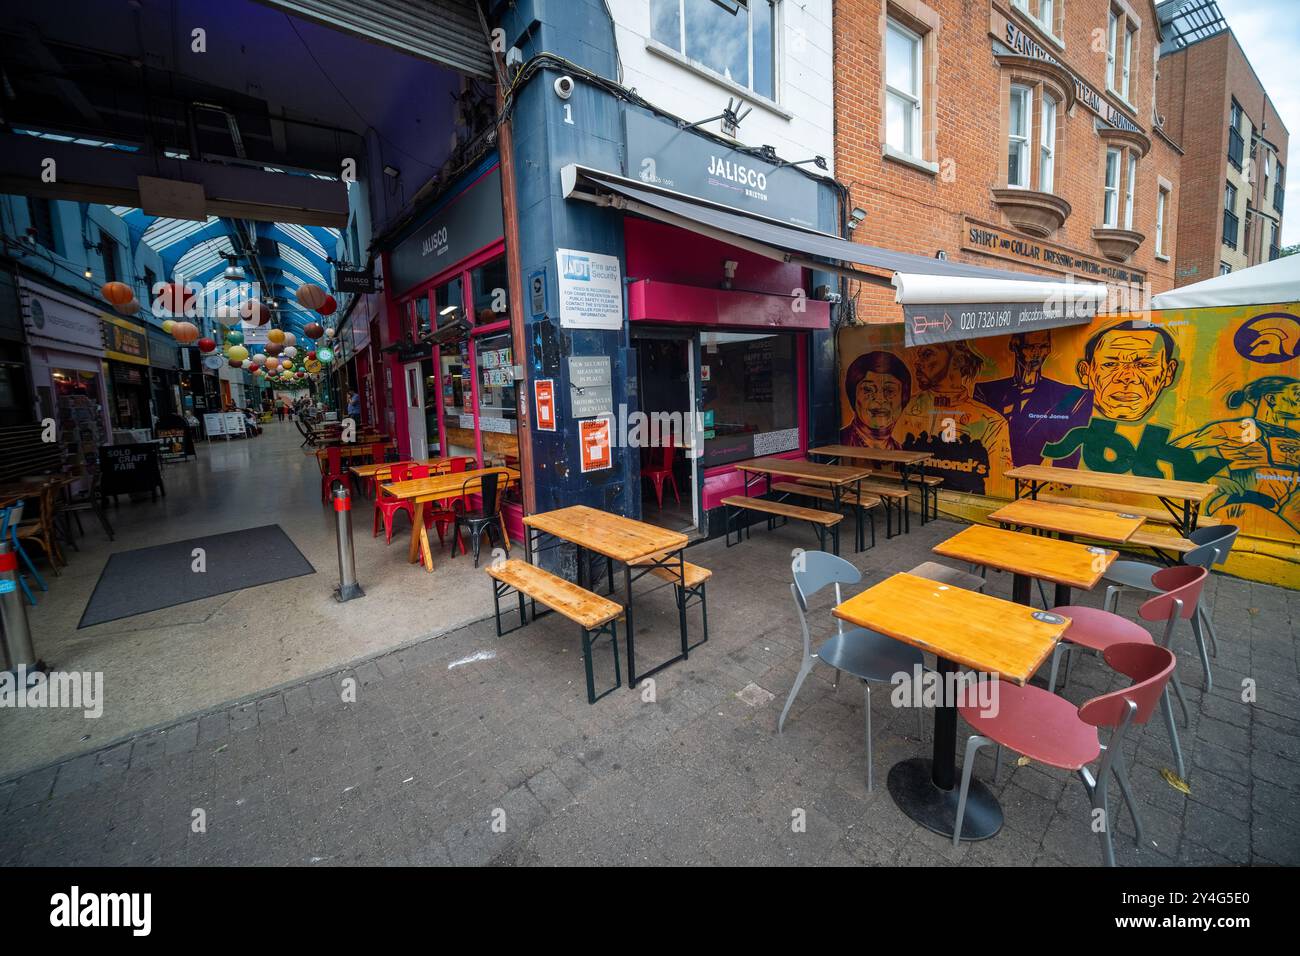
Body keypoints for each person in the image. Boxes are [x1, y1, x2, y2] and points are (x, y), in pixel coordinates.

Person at [973, 330, 1092, 467]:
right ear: (1014, 347)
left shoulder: (1069, 394)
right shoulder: (987, 391)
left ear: (1049, 350)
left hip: (1042, 478)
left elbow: (1070, 451)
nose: (1036, 353)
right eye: (1029, 347)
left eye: (1042, 347)